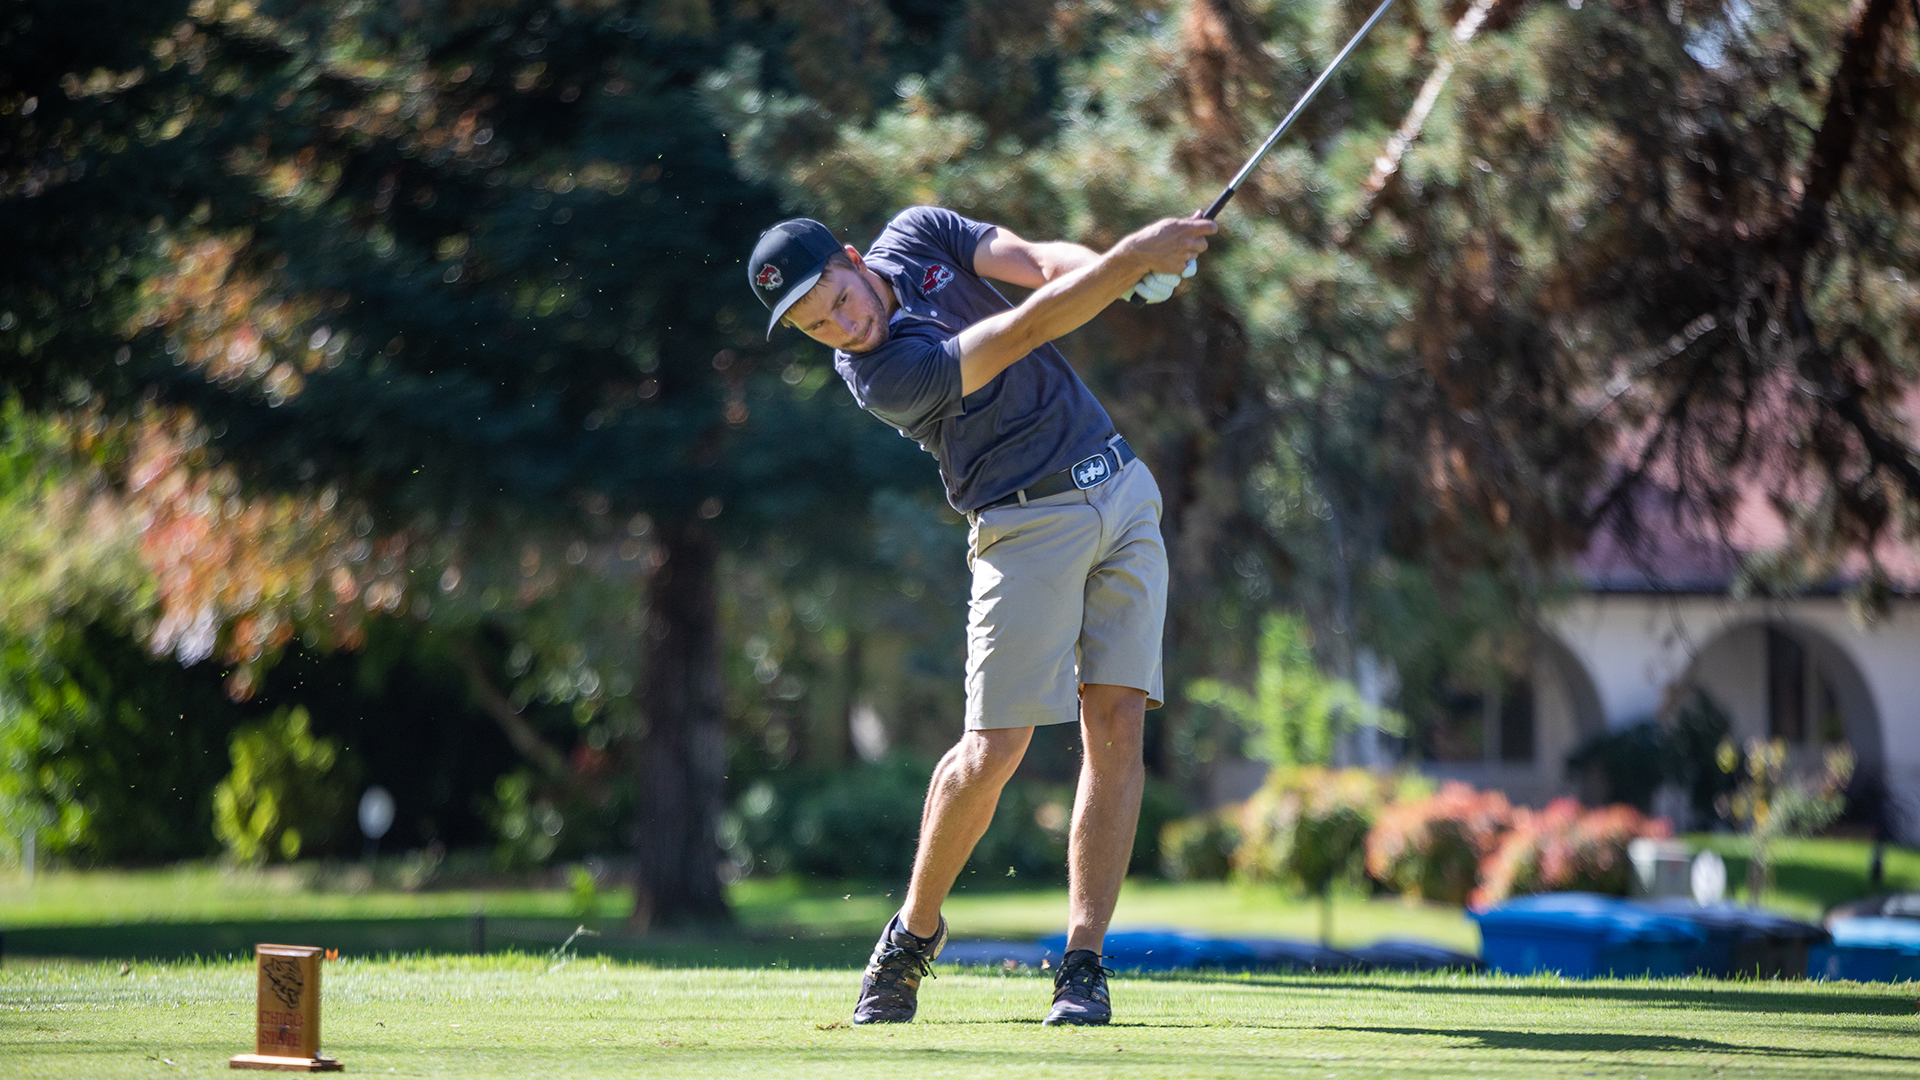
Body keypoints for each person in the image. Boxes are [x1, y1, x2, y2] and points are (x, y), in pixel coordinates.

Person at [746, 206, 1215, 1026]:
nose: (839, 328)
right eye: (816, 326)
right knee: (994, 749)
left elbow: (1037, 265)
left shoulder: (919, 233)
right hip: (1023, 525)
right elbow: (1022, 331)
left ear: (854, 260)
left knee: (1115, 728)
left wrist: (1114, 270)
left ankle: (1082, 965)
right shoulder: (881, 375)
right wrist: (1129, 259)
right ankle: (912, 934)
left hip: (1125, 492)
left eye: (837, 300)